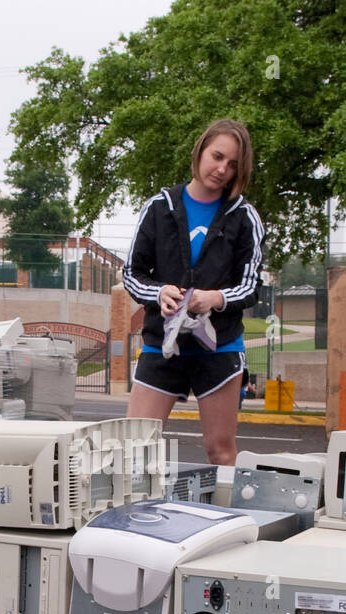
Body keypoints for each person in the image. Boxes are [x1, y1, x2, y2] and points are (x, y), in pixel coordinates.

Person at [122, 118, 263, 464]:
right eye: (217, 156)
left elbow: (251, 285)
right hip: (161, 346)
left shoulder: (245, 217)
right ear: (200, 150)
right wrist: (160, 293)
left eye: (232, 165)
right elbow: (132, 273)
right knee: (132, 449)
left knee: (220, 450)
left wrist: (216, 298)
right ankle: (133, 518)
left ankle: (225, 518)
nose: (221, 169)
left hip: (219, 350)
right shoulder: (159, 207)